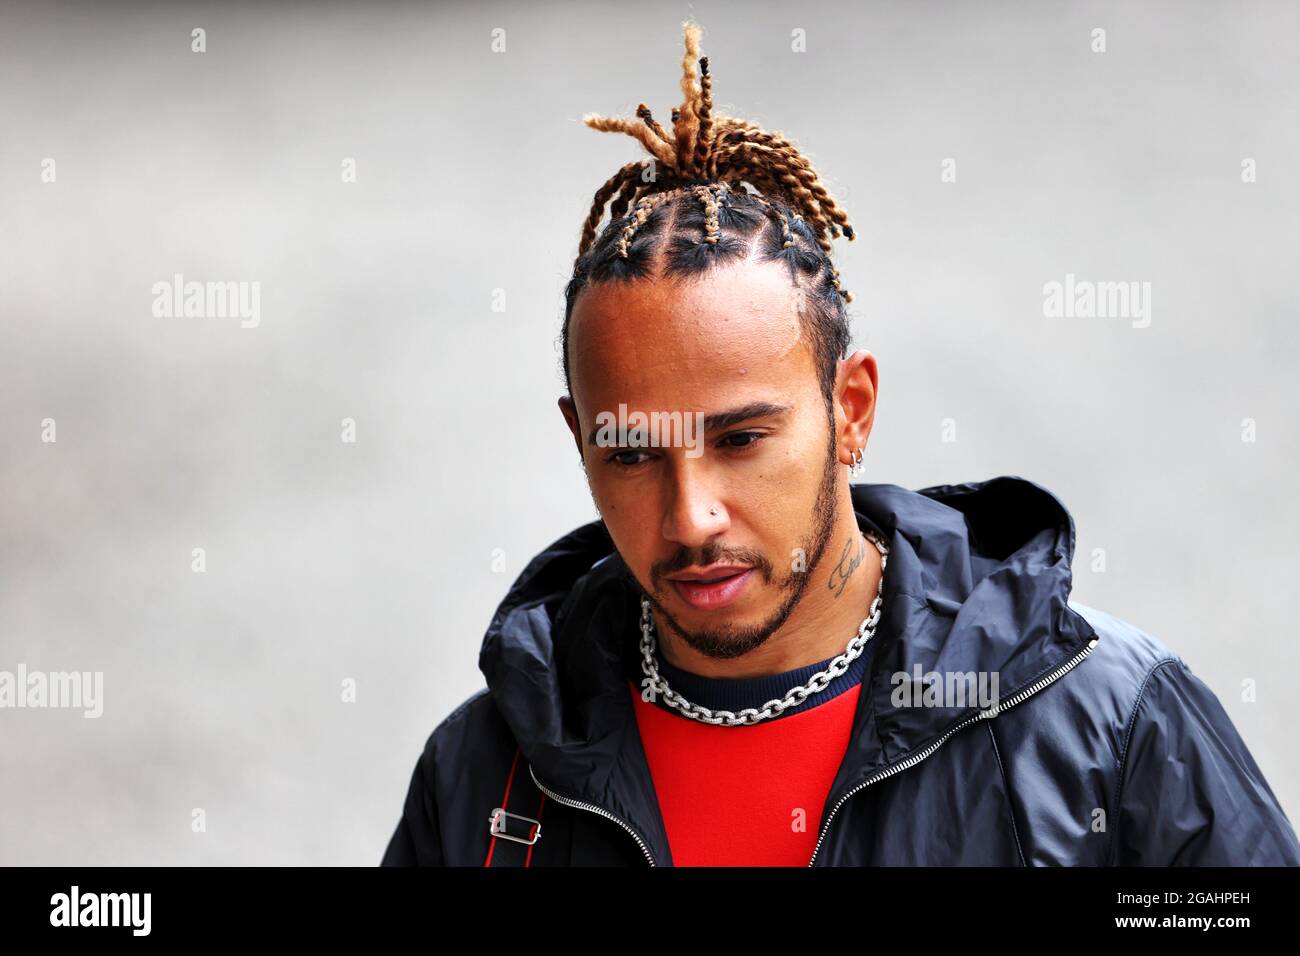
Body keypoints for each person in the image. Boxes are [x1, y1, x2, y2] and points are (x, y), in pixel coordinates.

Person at [381, 20, 1300, 867]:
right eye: (631, 452)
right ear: (578, 439)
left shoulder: (1108, 729)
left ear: (851, 410)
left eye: (740, 439)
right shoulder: (484, 778)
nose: (691, 516)